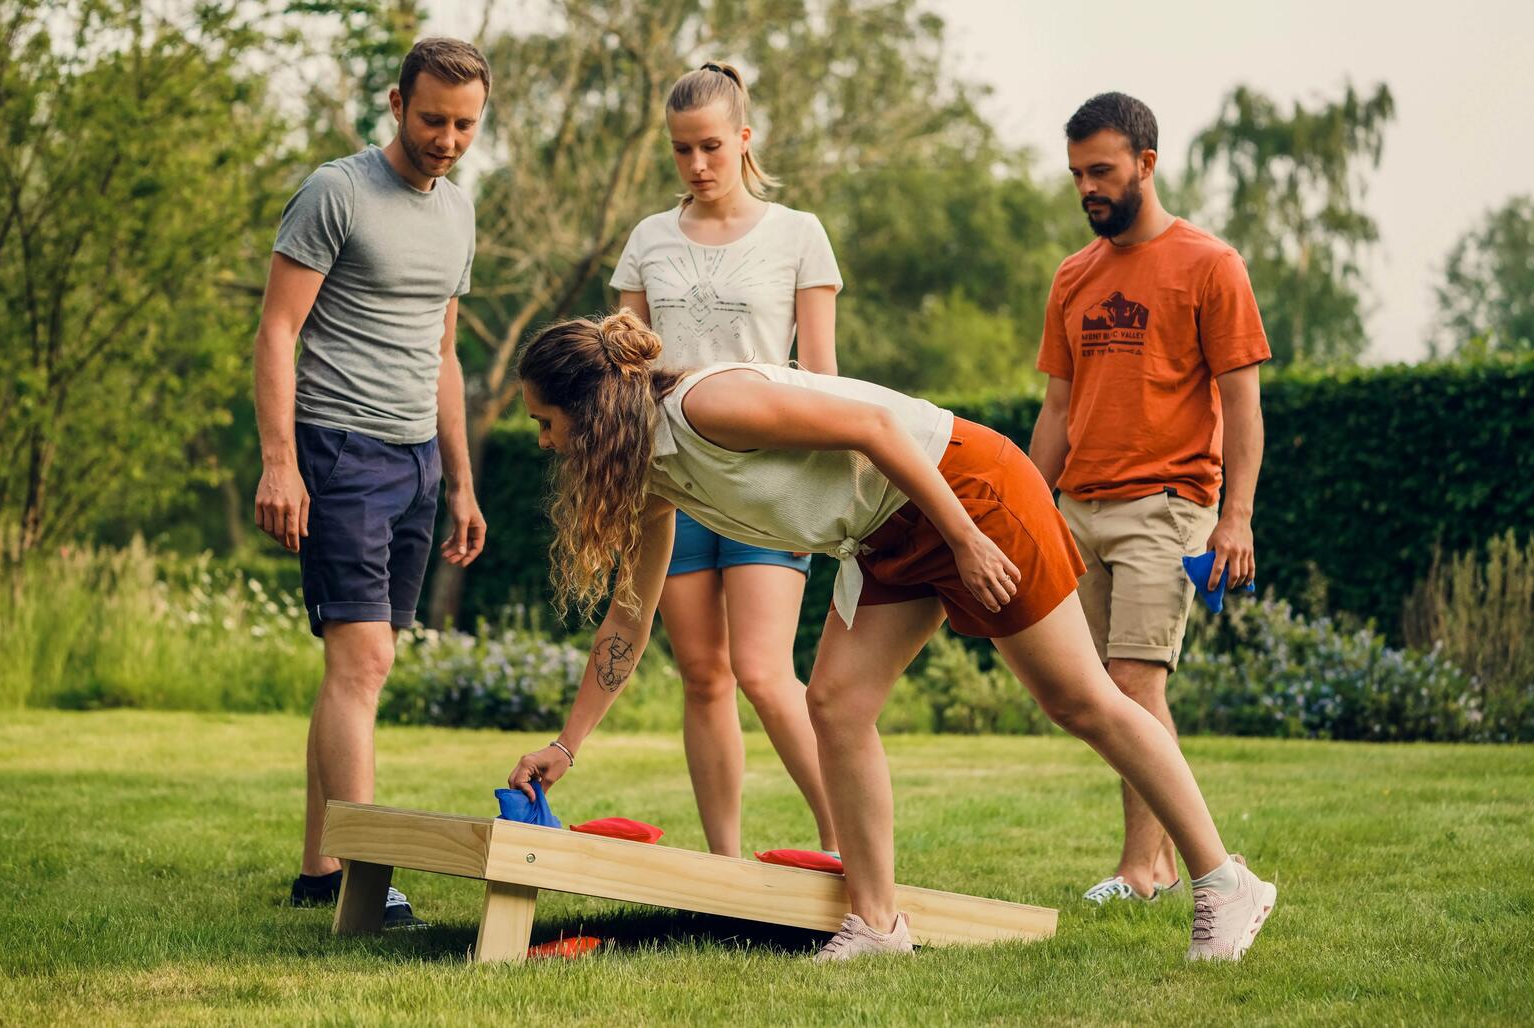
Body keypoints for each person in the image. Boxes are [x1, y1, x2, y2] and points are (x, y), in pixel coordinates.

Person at [502, 310, 1277, 963]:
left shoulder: (708, 407)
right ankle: (876, 924)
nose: (543, 441)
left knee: (1080, 700)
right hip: (883, 533)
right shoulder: (652, 472)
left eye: (546, 422)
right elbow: (630, 618)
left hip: (962, 487)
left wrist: (967, 539)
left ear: (592, 409)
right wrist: (567, 747)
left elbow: (874, 426)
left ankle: (1222, 880)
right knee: (836, 703)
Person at [253, 38, 491, 923]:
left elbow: (444, 350)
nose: (447, 138)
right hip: (339, 451)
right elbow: (277, 331)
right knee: (365, 661)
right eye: (432, 119)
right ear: (396, 102)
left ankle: (320, 873)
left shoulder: (459, 211)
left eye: (465, 124)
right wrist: (280, 461)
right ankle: (367, 879)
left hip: (417, 460)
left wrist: (462, 481)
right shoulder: (336, 192)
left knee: (359, 672)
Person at [1026, 92, 1270, 906]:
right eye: (1077, 175)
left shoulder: (1210, 265)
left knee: (1133, 683)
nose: (1088, 188)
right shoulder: (1074, 276)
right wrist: (1025, 507)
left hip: (1167, 505)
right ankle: (1160, 863)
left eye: (1101, 171)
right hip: (1079, 509)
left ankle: (1148, 869)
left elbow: (1243, 404)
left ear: (1147, 163)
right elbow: (1057, 410)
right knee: (1087, 693)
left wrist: (1234, 517)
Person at [608, 61, 843, 858]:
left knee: (765, 673)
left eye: (711, 145)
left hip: (765, 481)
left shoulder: (798, 233)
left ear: (745, 138)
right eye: (681, 150)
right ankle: (725, 865)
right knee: (703, 677)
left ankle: (848, 847)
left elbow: (822, 373)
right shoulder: (648, 239)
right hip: (670, 483)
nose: (697, 165)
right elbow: (621, 372)